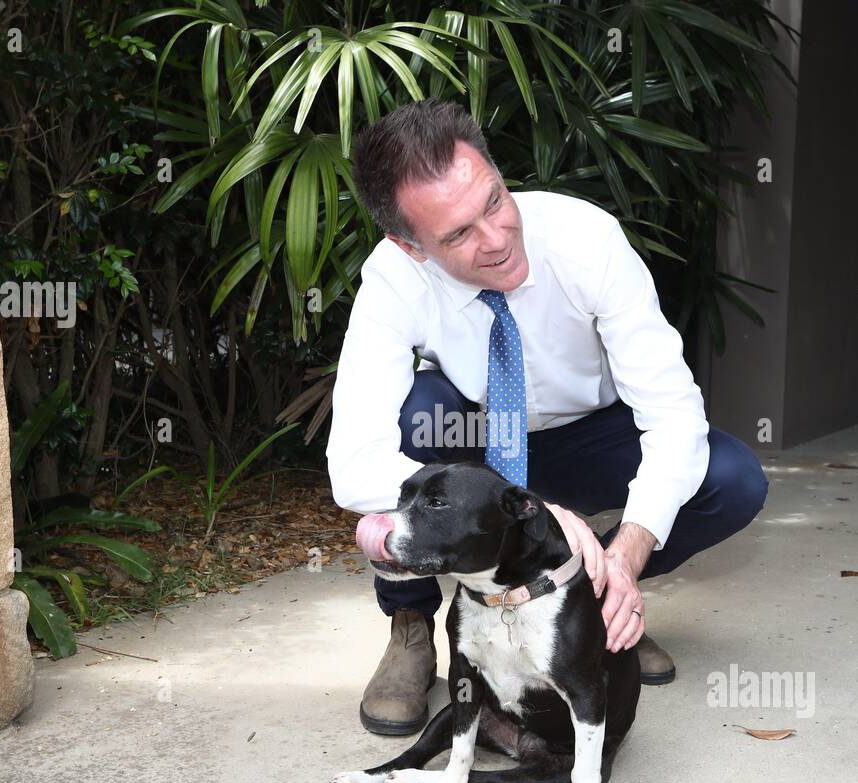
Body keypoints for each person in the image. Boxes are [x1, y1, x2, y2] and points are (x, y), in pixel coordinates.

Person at [327, 98, 768, 735]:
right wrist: (537, 510)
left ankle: (594, 611)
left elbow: (672, 412)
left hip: (590, 433)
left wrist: (622, 559)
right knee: (418, 413)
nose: (497, 238)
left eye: (495, 202)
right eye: (457, 234)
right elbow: (353, 465)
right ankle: (411, 625)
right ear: (411, 244)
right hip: (479, 439)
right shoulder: (393, 279)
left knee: (731, 479)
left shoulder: (585, 238)